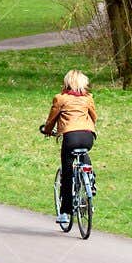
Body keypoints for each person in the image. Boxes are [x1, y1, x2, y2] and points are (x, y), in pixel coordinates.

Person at [41, 70, 97, 228]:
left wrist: (47, 130)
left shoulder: (60, 98)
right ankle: (90, 179)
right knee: (83, 153)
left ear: (66, 83)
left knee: (67, 173)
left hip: (70, 137)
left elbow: (51, 120)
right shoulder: (88, 98)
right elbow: (94, 117)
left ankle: (65, 213)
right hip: (87, 136)